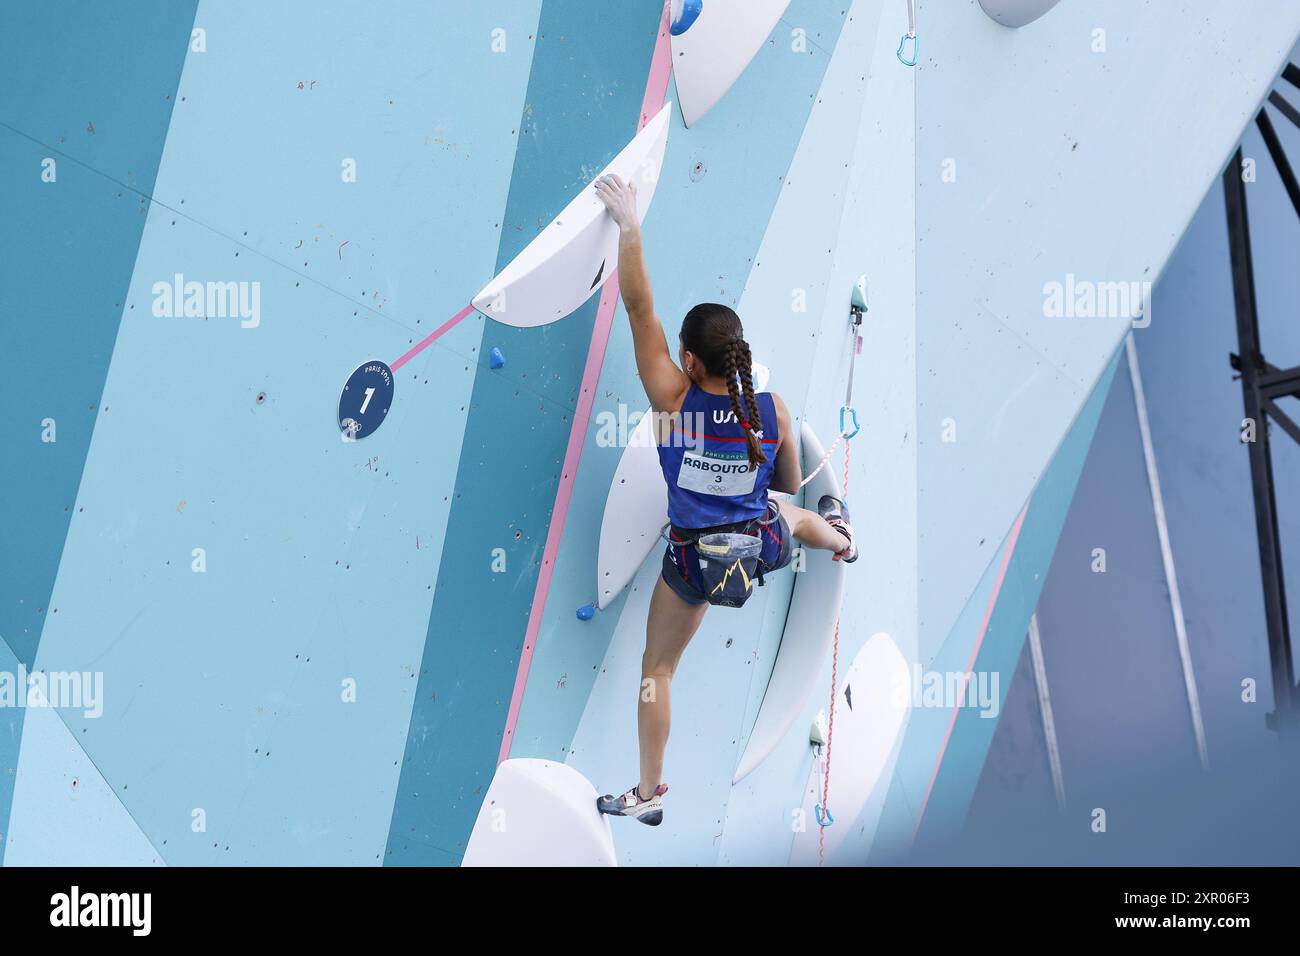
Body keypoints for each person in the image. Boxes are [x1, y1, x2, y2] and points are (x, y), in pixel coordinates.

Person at [591, 173, 858, 827]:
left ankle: (651, 793)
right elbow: (786, 485)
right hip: (752, 542)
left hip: (692, 563)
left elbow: (637, 310)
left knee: (658, 668)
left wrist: (629, 225)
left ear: (687, 359)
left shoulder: (672, 400)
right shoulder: (772, 412)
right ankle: (844, 537)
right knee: (795, 518)